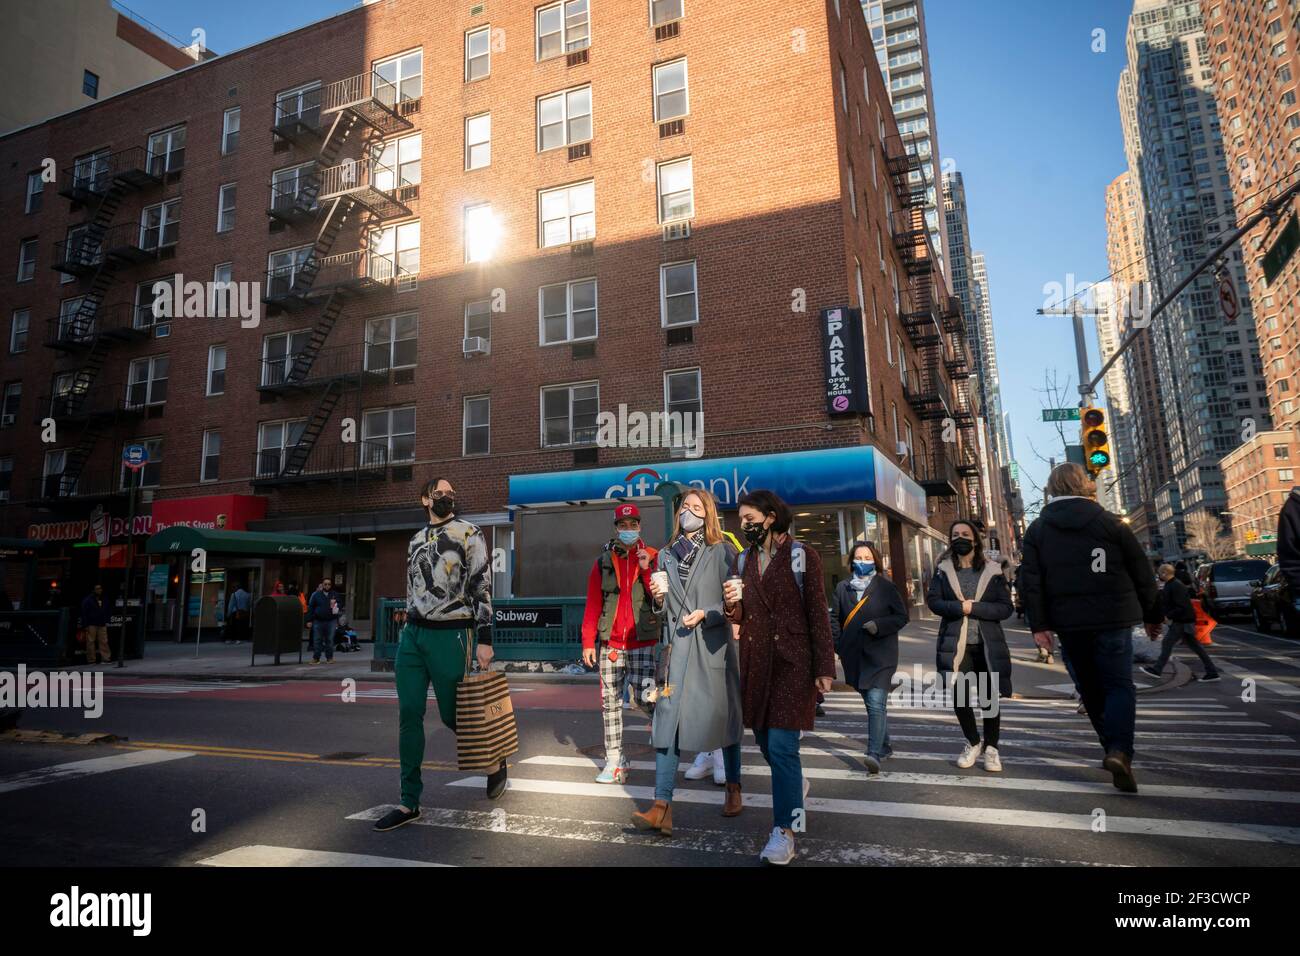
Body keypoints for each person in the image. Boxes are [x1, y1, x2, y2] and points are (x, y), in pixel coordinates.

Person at [1018, 463, 1163, 794]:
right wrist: (1154, 615)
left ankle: (1111, 749)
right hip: (1113, 618)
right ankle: (1120, 751)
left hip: (1069, 623)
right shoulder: (1109, 522)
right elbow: (1142, 571)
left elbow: (1032, 582)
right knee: (1118, 686)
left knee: (1091, 689)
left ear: (1052, 489)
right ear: (1084, 485)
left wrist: (1039, 626)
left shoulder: (1038, 530)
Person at [374, 476, 501, 832]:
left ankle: (493, 760)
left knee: (452, 716)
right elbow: (414, 587)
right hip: (413, 637)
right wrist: (407, 624)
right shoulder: (415, 539)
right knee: (409, 714)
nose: (448, 496)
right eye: (440, 493)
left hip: (452, 635)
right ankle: (408, 801)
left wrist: (485, 638)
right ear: (425, 500)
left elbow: (481, 586)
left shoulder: (469, 533)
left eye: (451, 492)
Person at [725, 489, 836, 866]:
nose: (743, 526)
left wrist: (824, 666)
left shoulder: (804, 556)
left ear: (771, 517)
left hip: (793, 662)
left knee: (784, 747)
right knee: (766, 743)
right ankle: (795, 785)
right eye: (741, 521)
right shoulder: (742, 560)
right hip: (756, 661)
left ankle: (785, 832)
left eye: (750, 520)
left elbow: (817, 612)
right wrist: (730, 603)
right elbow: (738, 617)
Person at [631, 489, 744, 836]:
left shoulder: (722, 551)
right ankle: (661, 805)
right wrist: (659, 598)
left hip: (712, 649)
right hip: (677, 651)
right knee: (666, 723)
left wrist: (708, 614)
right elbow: (663, 612)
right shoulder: (664, 554)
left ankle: (734, 787)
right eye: (685, 508)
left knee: (723, 719)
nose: (689, 513)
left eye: (697, 508)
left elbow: (734, 603)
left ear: (708, 514)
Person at [580, 503, 660, 784]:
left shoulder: (652, 556)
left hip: (642, 641)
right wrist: (588, 641)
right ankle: (614, 761)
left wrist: (647, 569)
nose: (628, 530)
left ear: (640, 527)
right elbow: (593, 603)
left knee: (645, 697)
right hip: (610, 644)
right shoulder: (603, 561)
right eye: (623, 526)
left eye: (633, 525)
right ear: (616, 528)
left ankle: (667, 738)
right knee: (610, 702)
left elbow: (659, 599)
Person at [927, 520, 1014, 773]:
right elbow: (934, 601)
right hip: (957, 645)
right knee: (961, 697)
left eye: (965, 534)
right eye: (955, 534)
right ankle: (973, 742)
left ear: (975, 539)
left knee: (989, 699)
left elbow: (1005, 607)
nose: (960, 538)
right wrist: (959, 607)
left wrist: (973, 607)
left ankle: (992, 749)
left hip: (987, 644)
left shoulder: (993, 570)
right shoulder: (942, 569)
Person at [830, 540, 907, 773]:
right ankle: (884, 745)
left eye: (867, 558)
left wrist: (879, 625)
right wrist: (838, 645)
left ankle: (873, 753)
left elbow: (901, 616)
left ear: (875, 560)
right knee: (872, 703)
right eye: (858, 557)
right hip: (853, 656)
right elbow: (834, 619)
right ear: (851, 560)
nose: (862, 562)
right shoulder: (843, 588)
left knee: (875, 702)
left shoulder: (885, 587)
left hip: (881, 656)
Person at [1141, 564, 1220, 683]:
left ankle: (1157, 669)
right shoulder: (1172, 584)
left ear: (1165, 573)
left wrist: (1169, 615)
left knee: (1167, 643)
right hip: (1182, 620)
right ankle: (1212, 672)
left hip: (1182, 621)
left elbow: (1182, 606)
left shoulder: (1176, 585)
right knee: (1197, 648)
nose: (1159, 575)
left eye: (1160, 573)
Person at [307, 579, 342, 663]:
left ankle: (329, 658)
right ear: (322, 585)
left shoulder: (335, 594)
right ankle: (316, 658)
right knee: (317, 640)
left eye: (329, 584)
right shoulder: (316, 595)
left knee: (329, 640)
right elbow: (311, 607)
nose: (327, 586)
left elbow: (341, 604)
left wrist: (336, 605)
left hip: (331, 620)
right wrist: (309, 620)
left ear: (331, 585)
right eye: (325, 584)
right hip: (318, 620)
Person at [80, 584, 112, 665]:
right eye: (97, 589)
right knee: (90, 642)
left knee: (104, 641)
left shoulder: (104, 599)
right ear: (93, 590)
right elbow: (84, 613)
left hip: (102, 623)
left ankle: (106, 659)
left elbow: (108, 610)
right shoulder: (88, 600)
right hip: (91, 623)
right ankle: (91, 660)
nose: (99, 590)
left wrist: (107, 620)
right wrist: (85, 625)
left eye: (100, 588)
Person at [225, 580, 251, 645]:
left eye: (233, 587)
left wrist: (228, 614)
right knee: (241, 626)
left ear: (236, 587)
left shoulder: (234, 594)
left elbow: (231, 605)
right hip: (244, 613)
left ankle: (231, 639)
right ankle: (239, 639)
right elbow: (248, 604)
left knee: (233, 626)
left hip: (235, 613)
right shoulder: (247, 594)